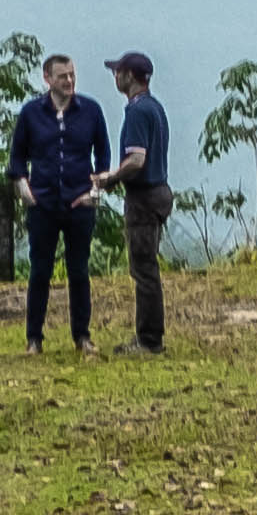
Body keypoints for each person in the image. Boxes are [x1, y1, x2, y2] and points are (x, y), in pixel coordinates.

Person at [10, 51, 109, 354]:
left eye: (72, 75)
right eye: (62, 76)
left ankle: (82, 336)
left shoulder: (91, 111)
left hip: (79, 204)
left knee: (78, 271)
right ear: (47, 78)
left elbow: (103, 156)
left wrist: (95, 192)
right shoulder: (30, 113)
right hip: (44, 205)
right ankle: (34, 339)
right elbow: (16, 159)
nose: (69, 81)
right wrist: (23, 189)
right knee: (40, 272)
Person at [101, 49, 170, 354]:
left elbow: (137, 159)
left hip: (143, 197)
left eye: (118, 71)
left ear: (129, 76)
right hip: (159, 193)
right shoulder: (154, 107)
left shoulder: (137, 111)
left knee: (143, 270)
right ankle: (149, 336)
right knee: (147, 267)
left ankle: (149, 340)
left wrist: (111, 178)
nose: (115, 76)